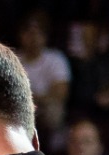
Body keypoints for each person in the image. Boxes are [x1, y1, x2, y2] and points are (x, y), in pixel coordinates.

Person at [14, 12, 70, 142]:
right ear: (21, 35)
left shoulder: (56, 58)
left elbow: (61, 93)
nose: (33, 38)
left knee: (54, 110)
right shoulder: (14, 59)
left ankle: (55, 148)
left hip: (45, 107)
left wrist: (34, 99)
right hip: (20, 108)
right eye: (28, 33)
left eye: (37, 33)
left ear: (45, 36)